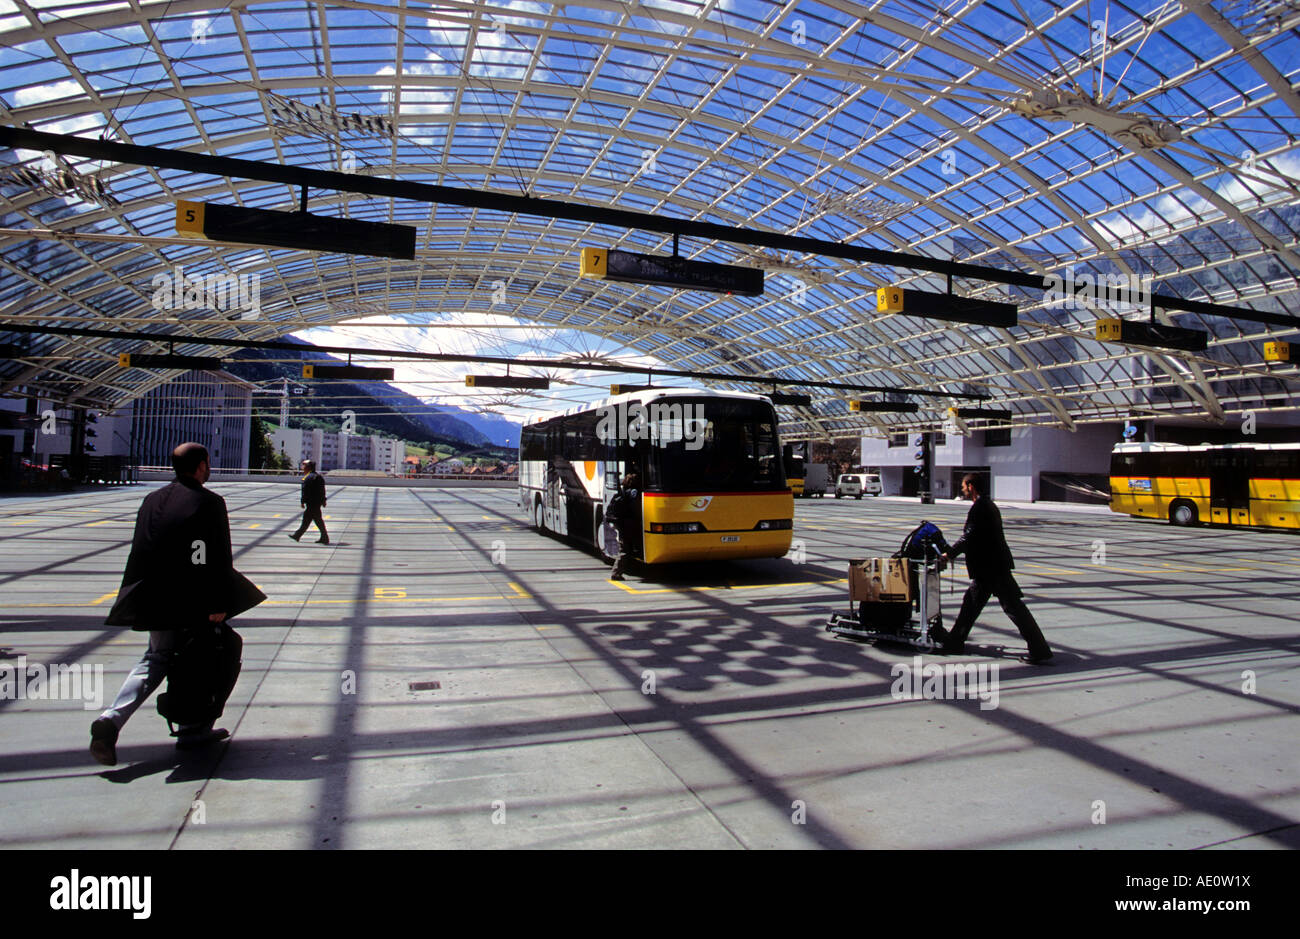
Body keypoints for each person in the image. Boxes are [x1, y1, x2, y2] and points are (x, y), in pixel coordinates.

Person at [90, 442, 264, 764]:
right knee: (206, 657)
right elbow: (208, 556)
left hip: (153, 598)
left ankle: (111, 720)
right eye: (207, 463)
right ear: (201, 466)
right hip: (191, 599)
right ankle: (192, 729)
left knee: (156, 659)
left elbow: (142, 549)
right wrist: (215, 600)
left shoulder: (151, 499)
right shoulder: (208, 502)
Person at [932, 473, 1054, 664]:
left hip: (990, 568)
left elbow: (969, 536)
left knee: (1010, 608)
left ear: (971, 486)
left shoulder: (980, 507)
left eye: (964, 486)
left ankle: (1039, 649)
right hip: (994, 566)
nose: (962, 489)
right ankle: (956, 641)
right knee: (975, 604)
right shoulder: (988, 505)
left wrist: (949, 554)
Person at [606, 471, 642, 581]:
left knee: (625, 546)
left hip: (621, 523)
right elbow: (635, 509)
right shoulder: (633, 492)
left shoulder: (622, 491)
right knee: (625, 549)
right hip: (628, 524)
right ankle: (616, 573)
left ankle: (619, 571)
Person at [289, 459, 329, 544]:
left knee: (309, 520)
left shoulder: (307, 478)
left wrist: (302, 501)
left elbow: (305, 491)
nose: (303, 468)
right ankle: (323, 537)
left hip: (311, 503)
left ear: (308, 468)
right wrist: (323, 500)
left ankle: (297, 535)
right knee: (316, 520)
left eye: (304, 466)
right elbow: (322, 490)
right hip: (317, 503)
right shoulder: (319, 476)